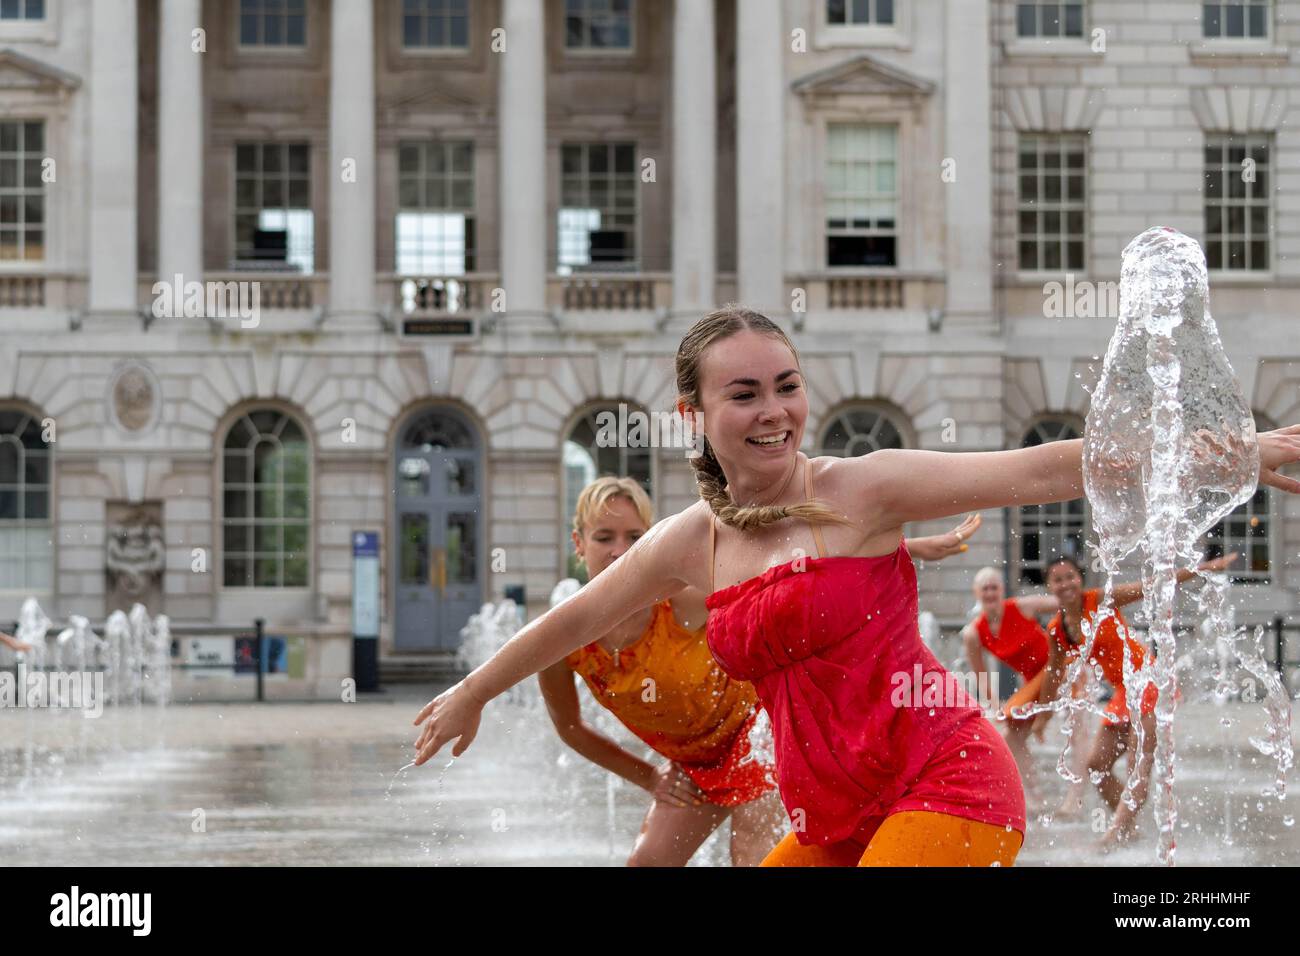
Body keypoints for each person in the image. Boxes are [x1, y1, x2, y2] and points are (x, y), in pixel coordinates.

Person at [413, 305, 1300, 867]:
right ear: (694, 415)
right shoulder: (688, 544)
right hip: (833, 813)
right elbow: (569, 622)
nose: (774, 413)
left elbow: (1048, 466)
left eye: (787, 388)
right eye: (744, 394)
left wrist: (1240, 454)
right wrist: (470, 692)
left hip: (945, 778)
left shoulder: (861, 488)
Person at [541, 476, 980, 865]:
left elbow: (786, 568)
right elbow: (571, 728)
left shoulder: (680, 601)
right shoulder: (564, 640)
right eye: (604, 537)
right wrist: (651, 776)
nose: (620, 550)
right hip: (695, 768)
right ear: (578, 544)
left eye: (634, 536)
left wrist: (904, 548)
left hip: (762, 744)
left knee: (751, 858)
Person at [1034, 551, 1236, 844]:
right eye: (1057, 580)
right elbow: (1053, 675)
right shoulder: (1057, 630)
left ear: (1080, 579)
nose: (1065, 584)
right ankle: (1127, 828)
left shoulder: (1101, 600)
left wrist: (1202, 568)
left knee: (1137, 764)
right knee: (1096, 765)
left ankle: (1116, 831)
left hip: (1150, 682)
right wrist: (1043, 718)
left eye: (1070, 577)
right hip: (1123, 692)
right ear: (1049, 586)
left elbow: (1154, 584)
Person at [961, 569, 1060, 787]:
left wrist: (1071, 633)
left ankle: (1074, 798)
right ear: (976, 592)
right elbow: (982, 677)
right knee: (1010, 736)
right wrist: (995, 706)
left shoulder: (1022, 606)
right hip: (1033, 684)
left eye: (994, 587)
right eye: (984, 588)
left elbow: (1066, 602)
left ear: (1002, 589)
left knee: (1079, 722)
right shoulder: (973, 633)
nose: (990, 592)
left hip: (1059, 669)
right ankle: (1033, 793)